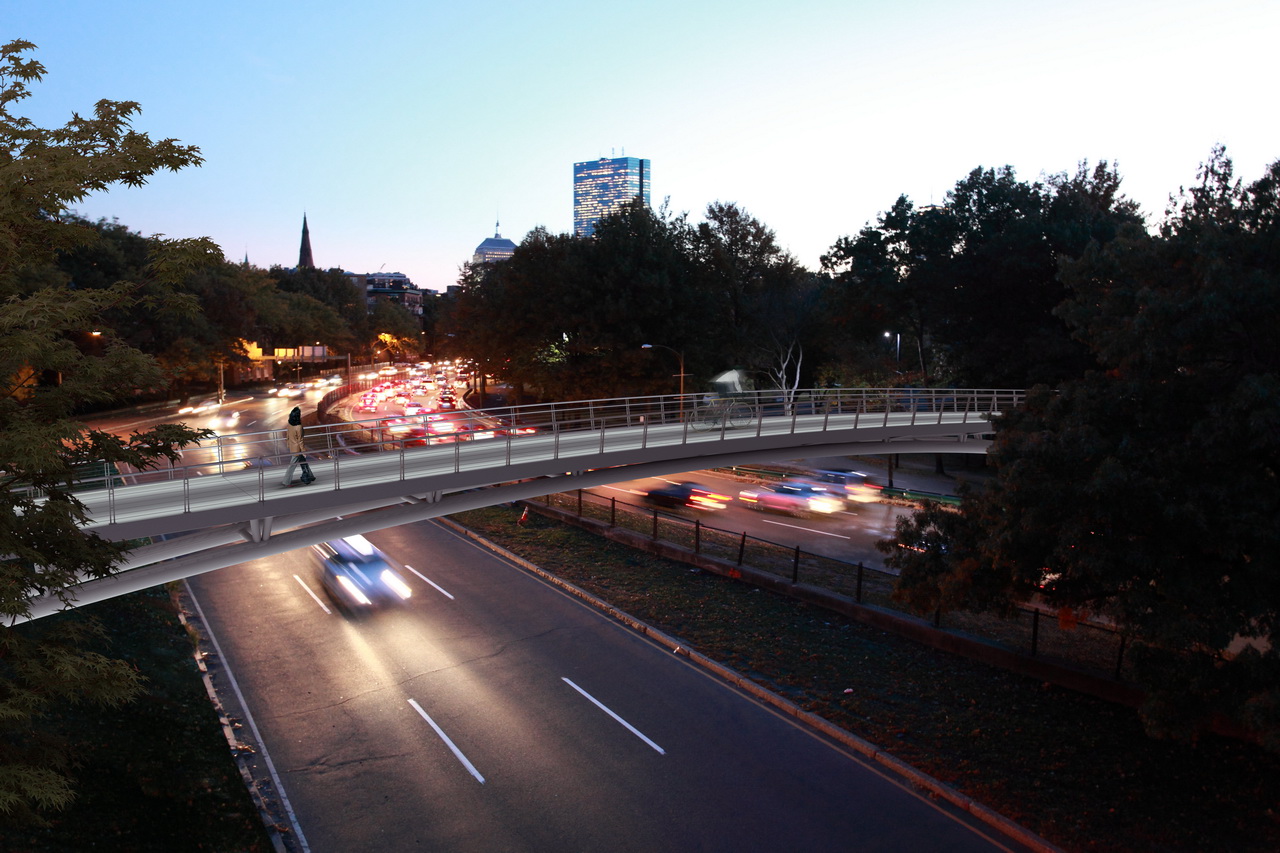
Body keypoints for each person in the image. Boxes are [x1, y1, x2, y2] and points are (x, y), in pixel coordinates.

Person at [281, 406, 316, 486]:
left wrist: (289, 445)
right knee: (292, 466)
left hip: (293, 447)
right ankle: (286, 482)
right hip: (298, 449)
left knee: (304, 462)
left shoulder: (289, 424)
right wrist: (303, 451)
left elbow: (288, 436)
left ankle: (311, 476)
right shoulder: (298, 427)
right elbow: (300, 440)